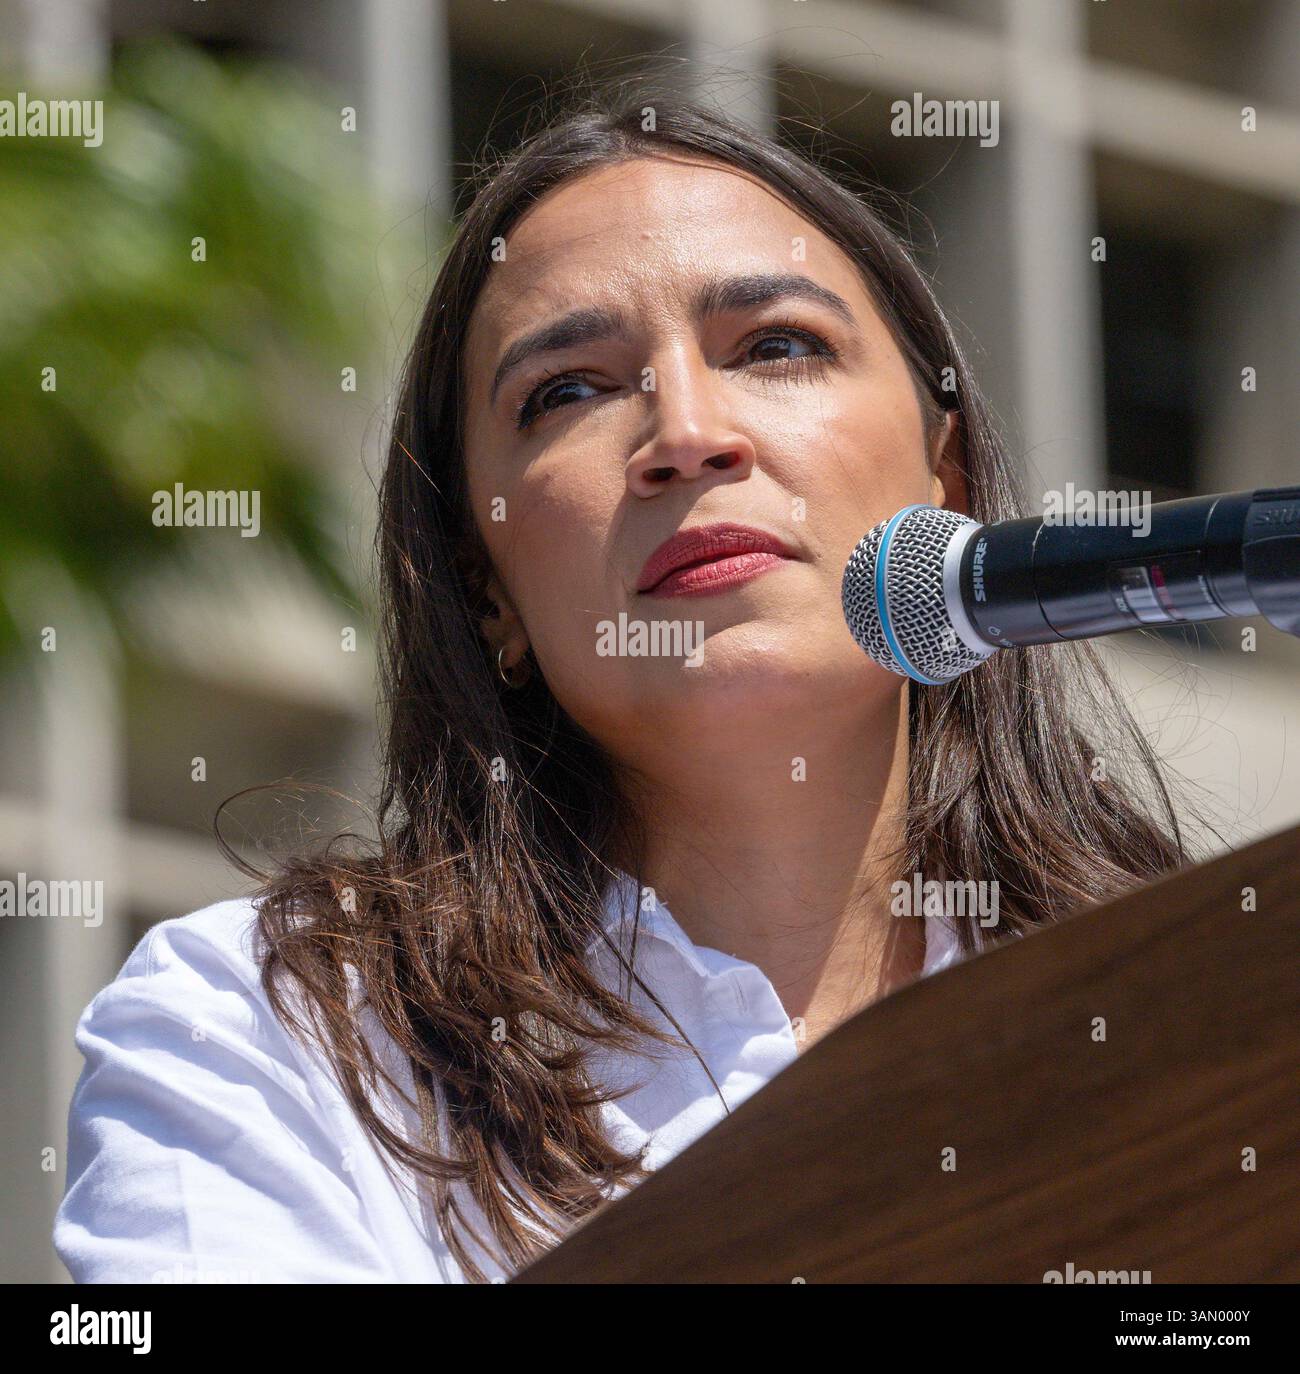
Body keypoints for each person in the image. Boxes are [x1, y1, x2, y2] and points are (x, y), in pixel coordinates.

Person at [54, 74, 1190, 1284]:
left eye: (779, 347)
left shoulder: (1198, 1016)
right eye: (571, 391)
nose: (688, 433)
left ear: (942, 482)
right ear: (484, 585)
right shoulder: (275, 1032)